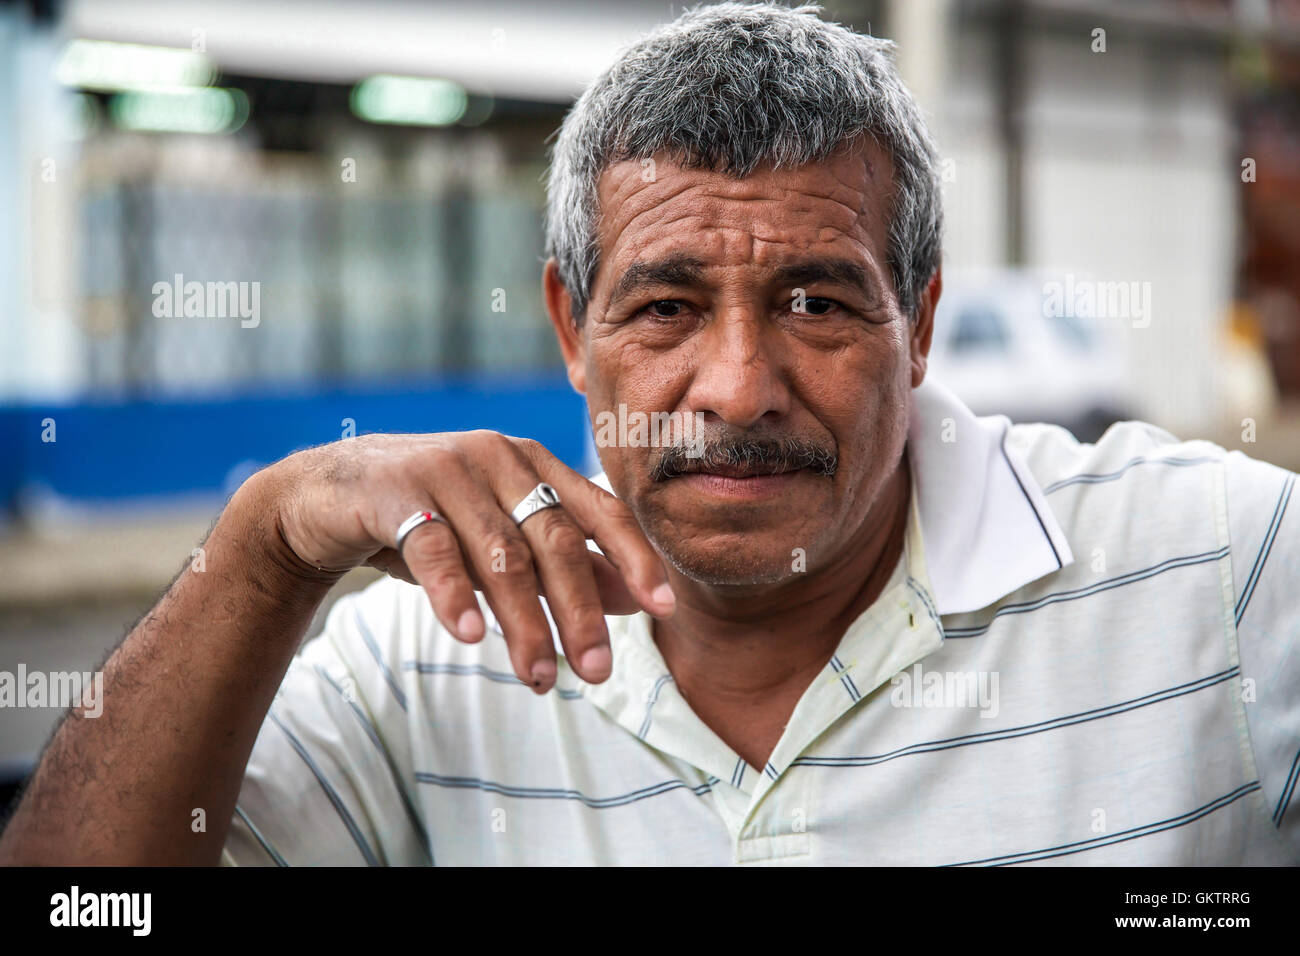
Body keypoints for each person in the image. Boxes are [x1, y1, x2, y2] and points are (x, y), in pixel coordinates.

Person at [2, 1, 1296, 866]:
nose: (737, 387)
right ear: (572, 327)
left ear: (922, 322)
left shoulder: (1218, 573)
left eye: (816, 300)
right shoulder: (420, 659)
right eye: (667, 306)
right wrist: (263, 549)